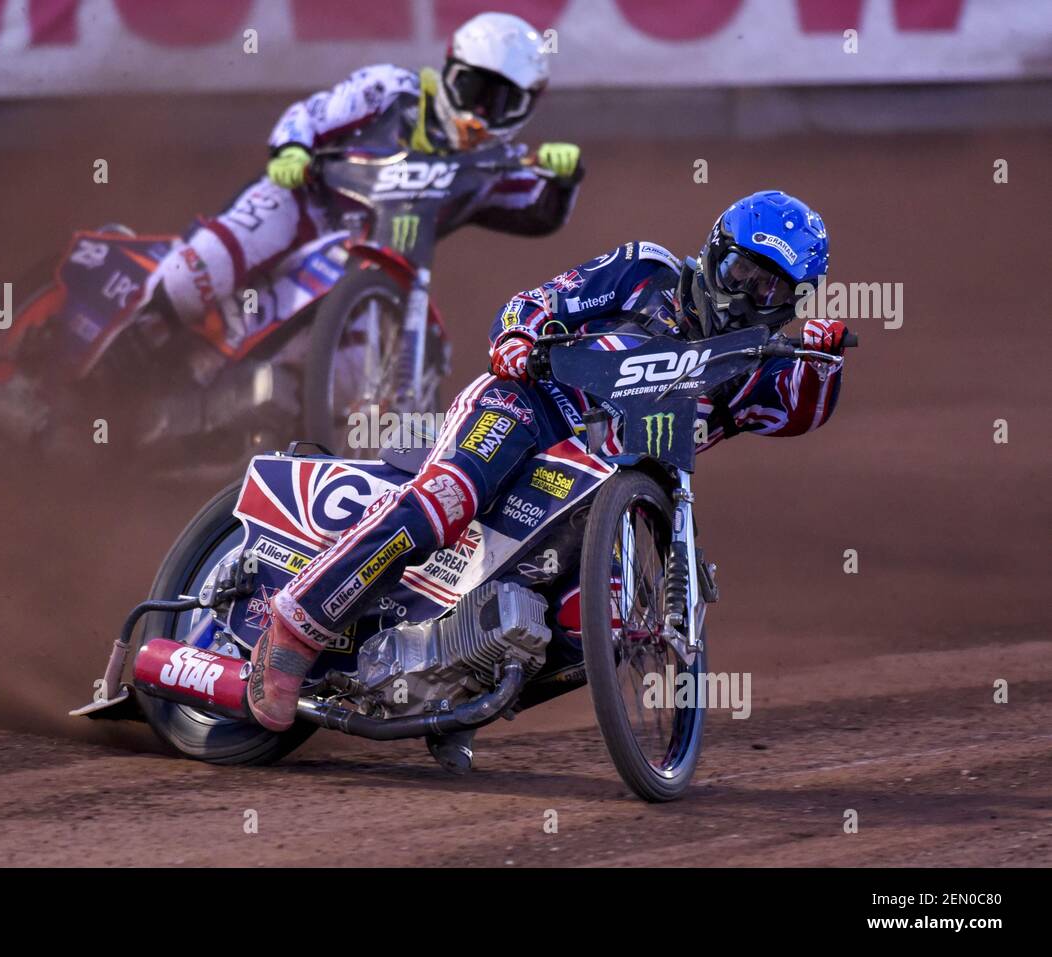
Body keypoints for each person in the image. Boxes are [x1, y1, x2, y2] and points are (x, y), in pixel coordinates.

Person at [245, 189, 850, 770]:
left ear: (793, 303)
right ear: (717, 251)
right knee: (450, 498)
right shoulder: (648, 271)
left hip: (605, 488)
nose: (748, 294)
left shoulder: (757, 365)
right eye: (744, 270)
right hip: (531, 407)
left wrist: (826, 358)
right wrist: (516, 336)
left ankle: (452, 700)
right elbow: (538, 301)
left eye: (770, 287)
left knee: (598, 621)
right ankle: (298, 622)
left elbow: (801, 410)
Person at [139, 11, 584, 341]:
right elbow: (310, 115)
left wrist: (564, 178)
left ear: (527, 107)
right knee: (192, 277)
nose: (482, 112)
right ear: (450, 72)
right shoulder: (389, 90)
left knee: (357, 366)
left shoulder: (495, 165)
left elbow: (537, 213)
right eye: (474, 90)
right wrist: (292, 150)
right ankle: (130, 346)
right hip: (300, 207)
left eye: (504, 102)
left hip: (366, 274)